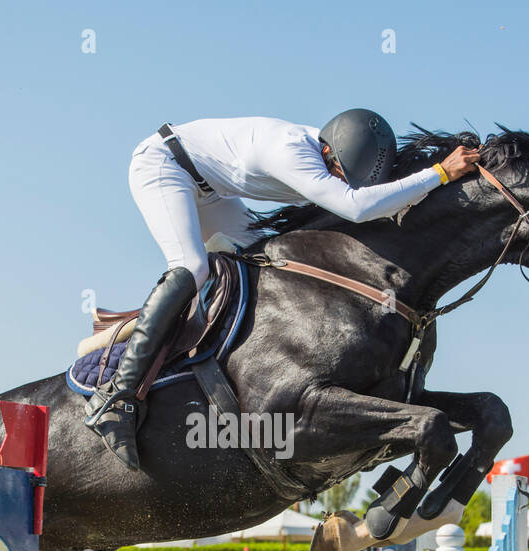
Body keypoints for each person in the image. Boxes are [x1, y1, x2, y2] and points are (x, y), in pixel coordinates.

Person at [84, 110, 482, 469]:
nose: (340, 181)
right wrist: (440, 173)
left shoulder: (328, 152)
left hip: (212, 190)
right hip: (164, 166)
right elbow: (358, 208)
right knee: (192, 265)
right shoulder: (292, 152)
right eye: (341, 174)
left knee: (253, 256)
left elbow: (374, 197)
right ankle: (117, 399)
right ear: (328, 152)